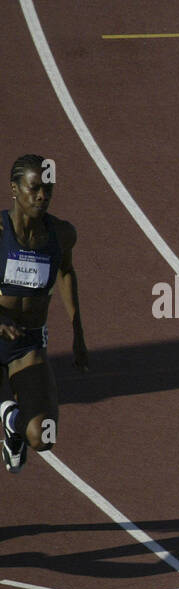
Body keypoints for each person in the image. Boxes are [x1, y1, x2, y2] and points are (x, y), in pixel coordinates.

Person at [1, 154, 86, 473]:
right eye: (34, 188)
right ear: (14, 188)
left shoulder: (62, 234)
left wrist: (78, 331)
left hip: (28, 343)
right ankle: (7, 411)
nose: (42, 196)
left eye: (48, 190)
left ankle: (14, 423)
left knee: (43, 436)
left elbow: (66, 272)